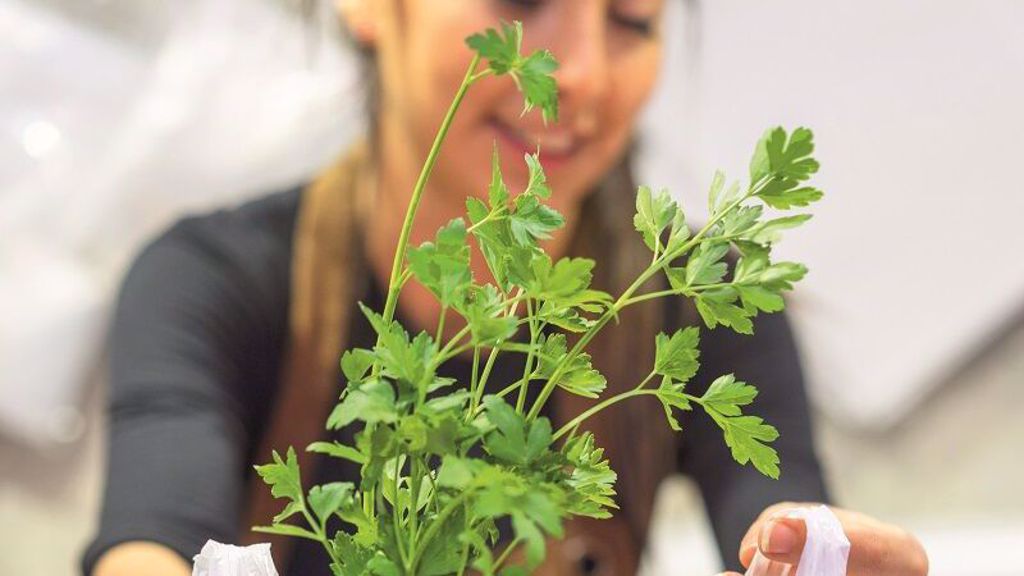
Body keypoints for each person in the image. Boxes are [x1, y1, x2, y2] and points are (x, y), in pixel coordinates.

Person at [83, 1, 928, 575]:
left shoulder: (696, 296)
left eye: (632, 19)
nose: (585, 74)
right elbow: (155, 535)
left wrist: (819, 548)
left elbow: (780, 519)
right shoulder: (215, 281)